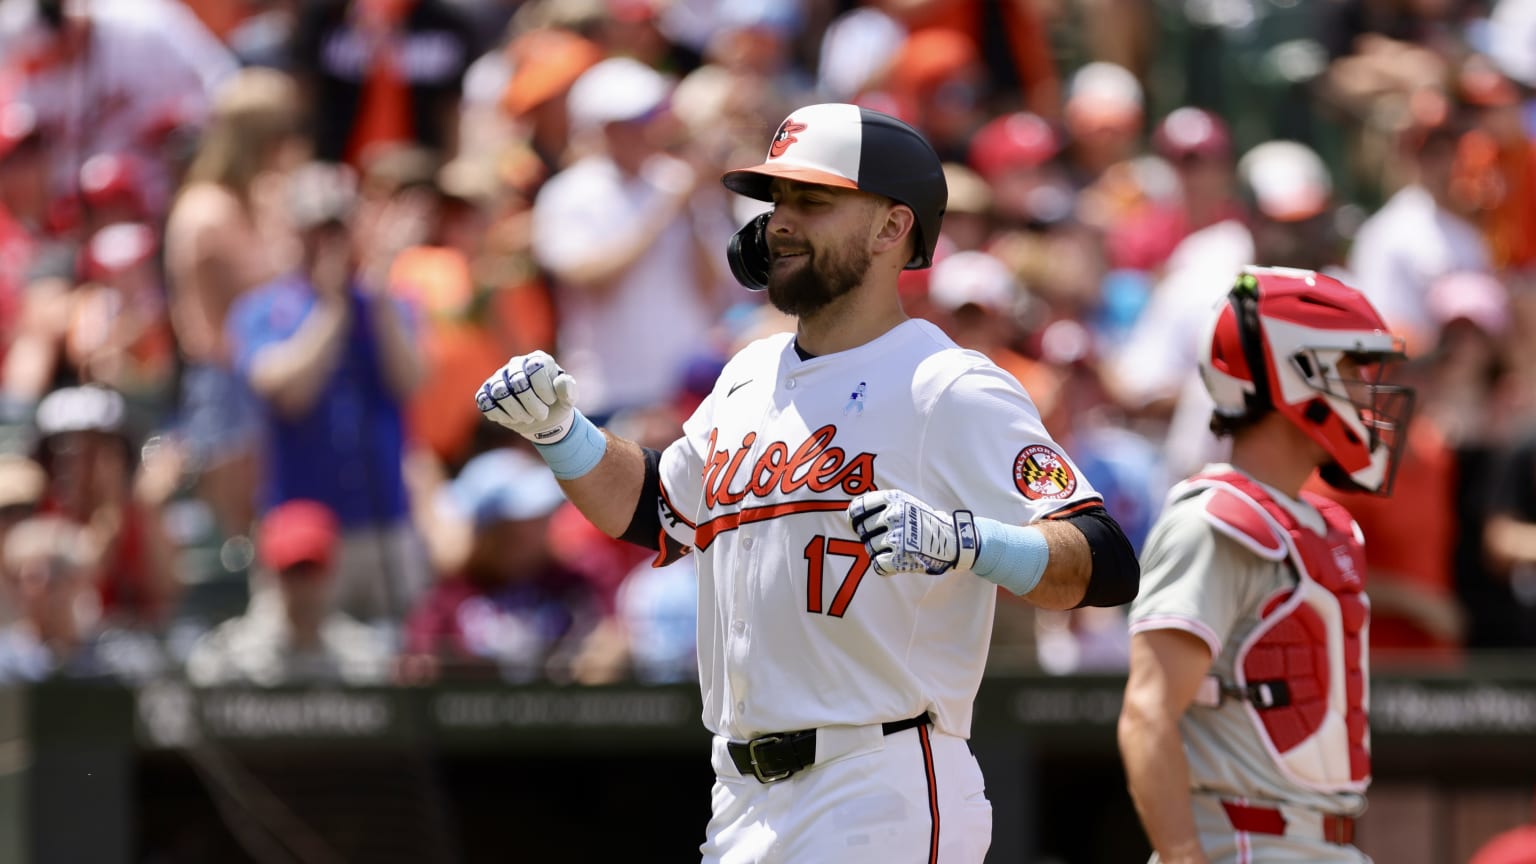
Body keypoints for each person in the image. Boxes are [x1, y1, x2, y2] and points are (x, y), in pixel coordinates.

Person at [477, 103, 1140, 863]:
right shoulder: (749, 372)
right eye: (777, 201)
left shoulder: (944, 382)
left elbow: (1104, 559)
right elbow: (656, 512)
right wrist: (563, 435)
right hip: (741, 795)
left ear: (893, 229)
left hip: (879, 779)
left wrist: (967, 543)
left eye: (813, 201)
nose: (781, 222)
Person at [1118, 267, 1417, 863]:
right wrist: (1182, 858)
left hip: (1325, 843)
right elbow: (1146, 713)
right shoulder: (1216, 519)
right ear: (1294, 371)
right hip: (1241, 842)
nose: (1367, 393)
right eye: (1353, 370)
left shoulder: (1324, 524)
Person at [185, 498, 392, 686]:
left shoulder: (362, 656)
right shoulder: (230, 660)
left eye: (310, 569)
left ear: (332, 571)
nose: (302, 585)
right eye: (290, 571)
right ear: (270, 574)